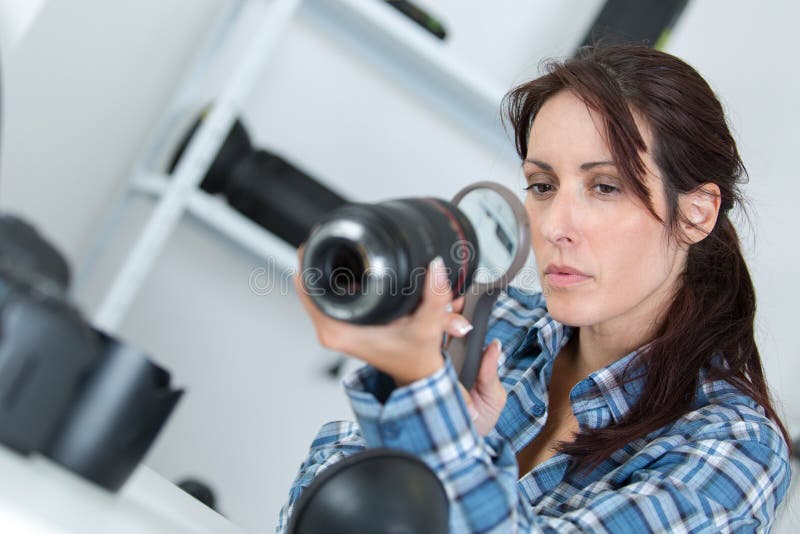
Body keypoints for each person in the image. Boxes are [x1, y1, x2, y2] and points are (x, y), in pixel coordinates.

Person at [276, 43, 792, 532]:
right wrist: (424, 406)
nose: (553, 226)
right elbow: (317, 499)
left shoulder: (735, 450)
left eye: (605, 187)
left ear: (697, 214)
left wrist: (428, 406)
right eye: (542, 186)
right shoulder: (494, 325)